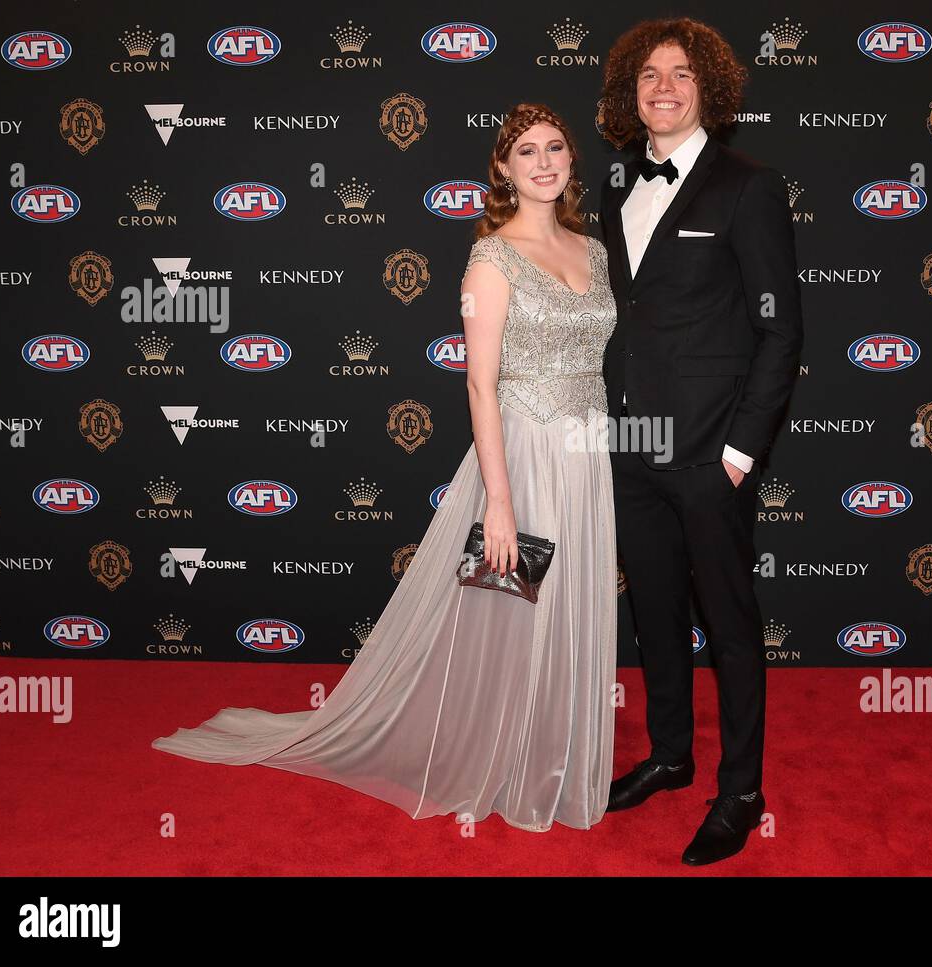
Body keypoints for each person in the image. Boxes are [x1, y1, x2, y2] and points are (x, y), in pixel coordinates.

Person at [151, 103, 619, 833]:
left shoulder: (592, 251)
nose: (544, 162)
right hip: (524, 457)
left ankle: (552, 758)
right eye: (526, 151)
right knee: (507, 617)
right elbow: (479, 384)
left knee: (568, 613)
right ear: (503, 168)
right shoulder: (491, 257)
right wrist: (499, 501)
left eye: (555, 147)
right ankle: (497, 756)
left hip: (588, 459)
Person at [597, 18, 804, 864]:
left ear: (708, 89)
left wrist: (740, 453)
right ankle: (672, 755)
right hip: (631, 448)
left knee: (729, 627)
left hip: (711, 454)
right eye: (649, 74)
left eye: (681, 74)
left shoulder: (749, 187)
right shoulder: (615, 188)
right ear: (630, 92)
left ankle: (742, 792)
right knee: (652, 613)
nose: (664, 86)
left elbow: (781, 330)